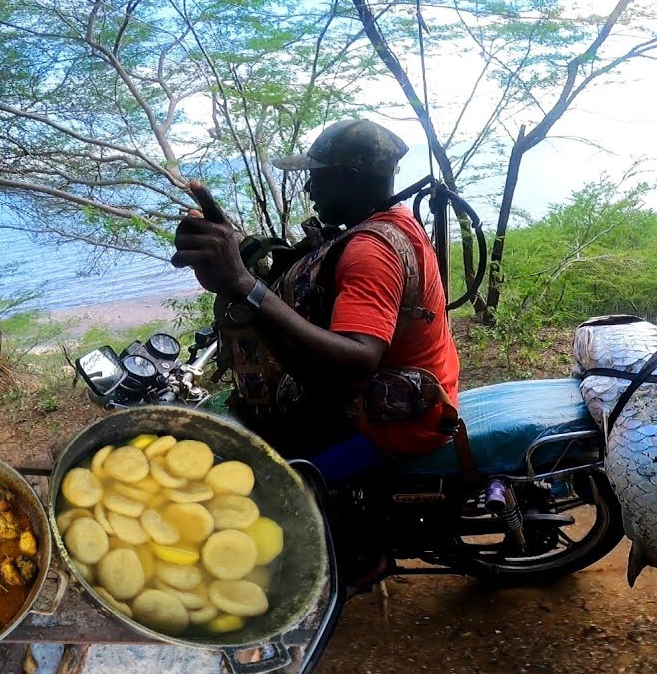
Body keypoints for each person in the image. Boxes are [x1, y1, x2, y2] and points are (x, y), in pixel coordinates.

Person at [170, 118, 463, 487]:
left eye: (317, 176)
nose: (309, 187)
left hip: (392, 430)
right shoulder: (392, 222)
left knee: (265, 491)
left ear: (350, 178)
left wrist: (244, 285)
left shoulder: (371, 250)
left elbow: (353, 372)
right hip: (400, 404)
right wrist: (234, 278)